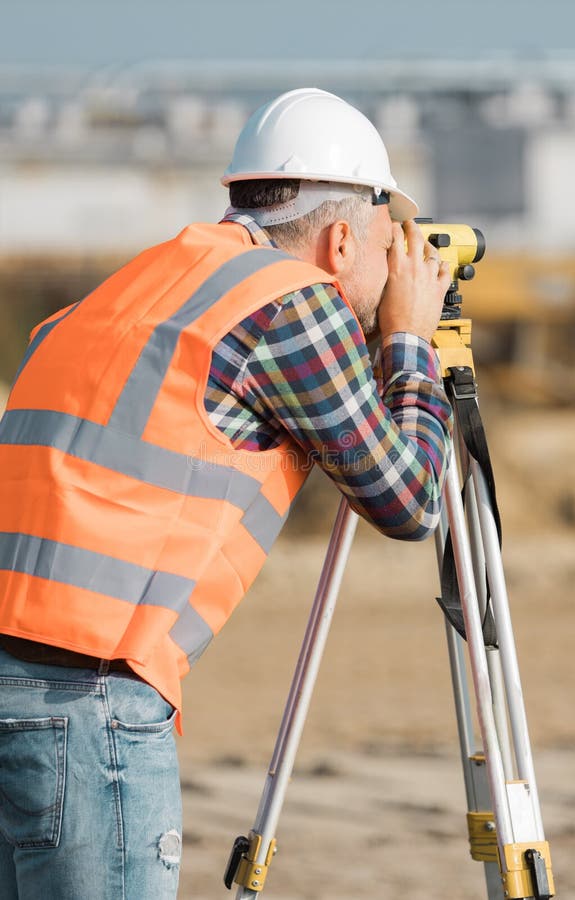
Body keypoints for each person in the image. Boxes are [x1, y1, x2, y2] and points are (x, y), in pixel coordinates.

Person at [0, 88, 452, 899]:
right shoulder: (290, 300)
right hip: (88, 701)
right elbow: (409, 500)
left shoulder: (138, 283)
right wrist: (411, 340)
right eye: (391, 244)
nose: (396, 269)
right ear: (341, 240)